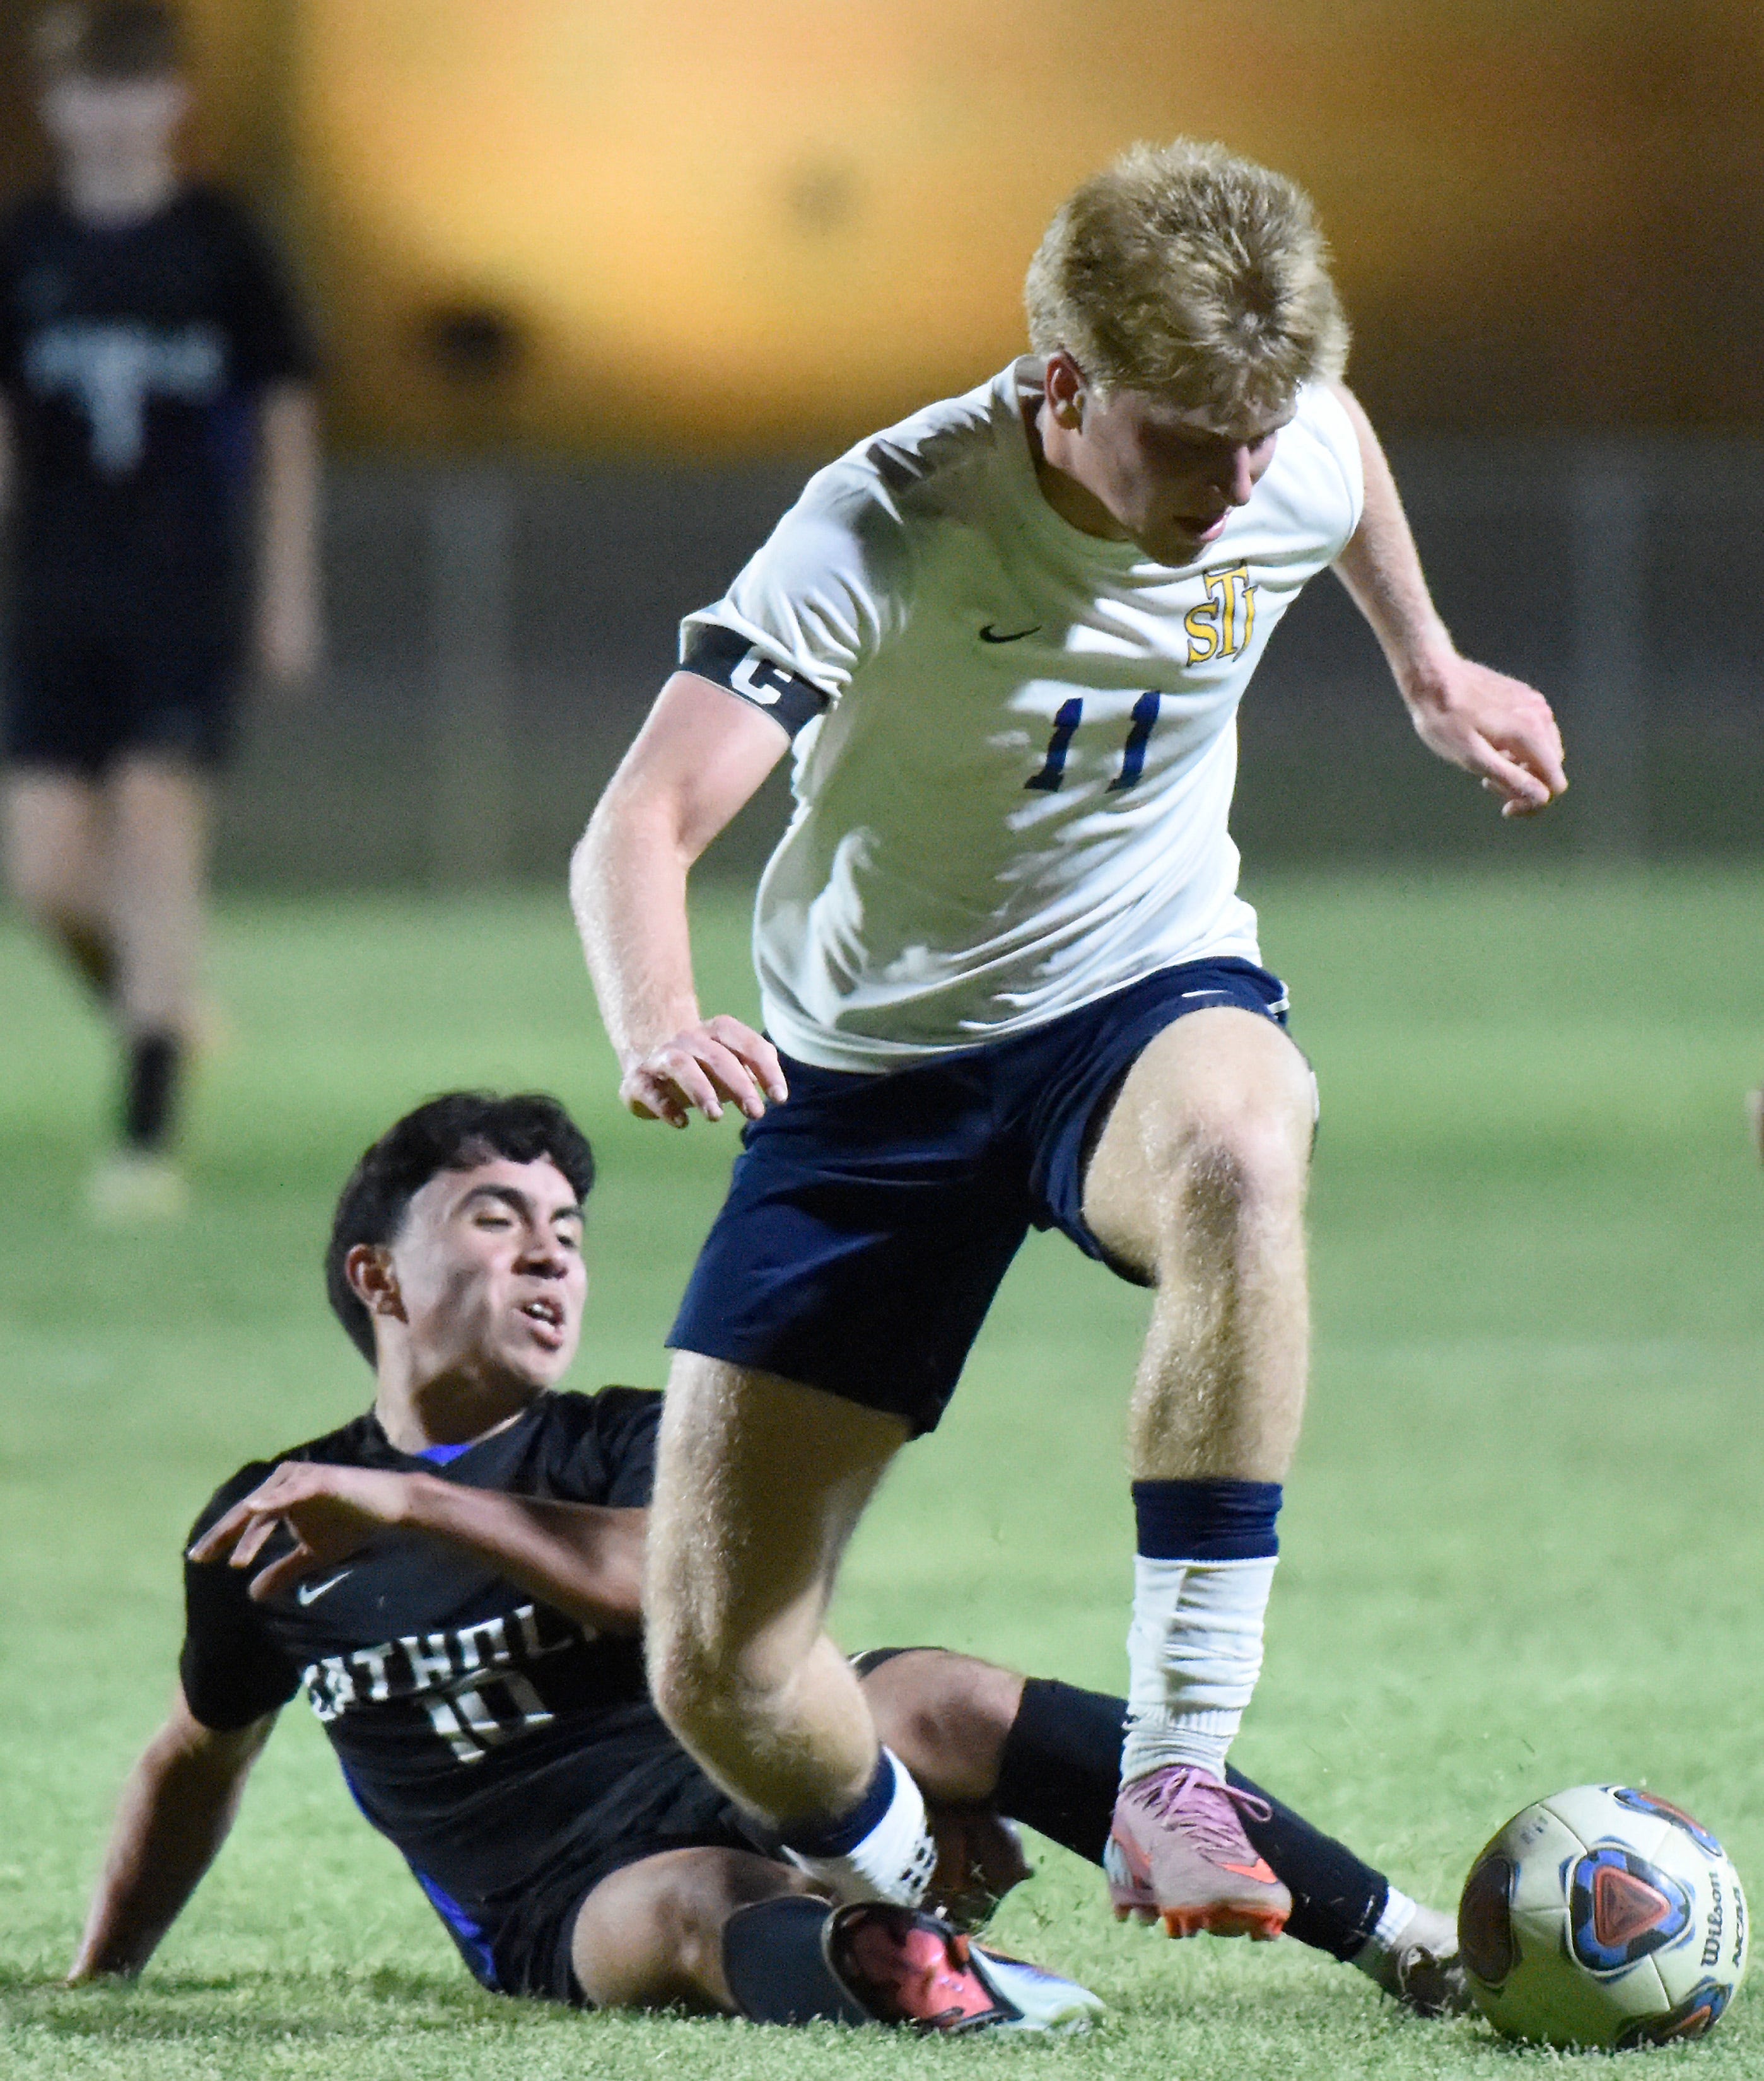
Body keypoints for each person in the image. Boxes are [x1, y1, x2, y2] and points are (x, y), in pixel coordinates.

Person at [571, 138, 1567, 1940]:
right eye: (1189, 440)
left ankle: (1177, 1769)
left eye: (1256, 434)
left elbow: (1335, 457)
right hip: (863, 1078)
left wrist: (1426, 661)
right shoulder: (886, 518)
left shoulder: (1277, 439)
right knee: (719, 1664)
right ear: (1061, 386)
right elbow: (640, 818)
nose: (1235, 479)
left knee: (1237, 1149)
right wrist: (659, 1015)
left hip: (1133, 991)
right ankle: (898, 1892)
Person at [71, 1090, 1467, 2026]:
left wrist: (420, 1507)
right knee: (694, 1911)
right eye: (498, 1222)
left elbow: (670, 1582)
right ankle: (945, 1988)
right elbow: (195, 1755)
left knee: (942, 1697)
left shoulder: (634, 1438)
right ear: (378, 1277)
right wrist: (100, 1980)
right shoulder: (276, 1519)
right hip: (557, 1901)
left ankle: (1408, 1941)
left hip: (742, 1769)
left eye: (568, 1230)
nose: (552, 1259)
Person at [0, 1, 320, 1221]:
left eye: (135, 87)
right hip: (55, 596)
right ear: (55, 103)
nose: (113, 112)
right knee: (48, 877)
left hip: (184, 593)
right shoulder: (27, 245)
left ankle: (144, 1140)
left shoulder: (220, 242)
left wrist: (286, 593)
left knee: (151, 819)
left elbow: (287, 422)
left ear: (173, 100)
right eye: (89, 88)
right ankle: (162, 1003)